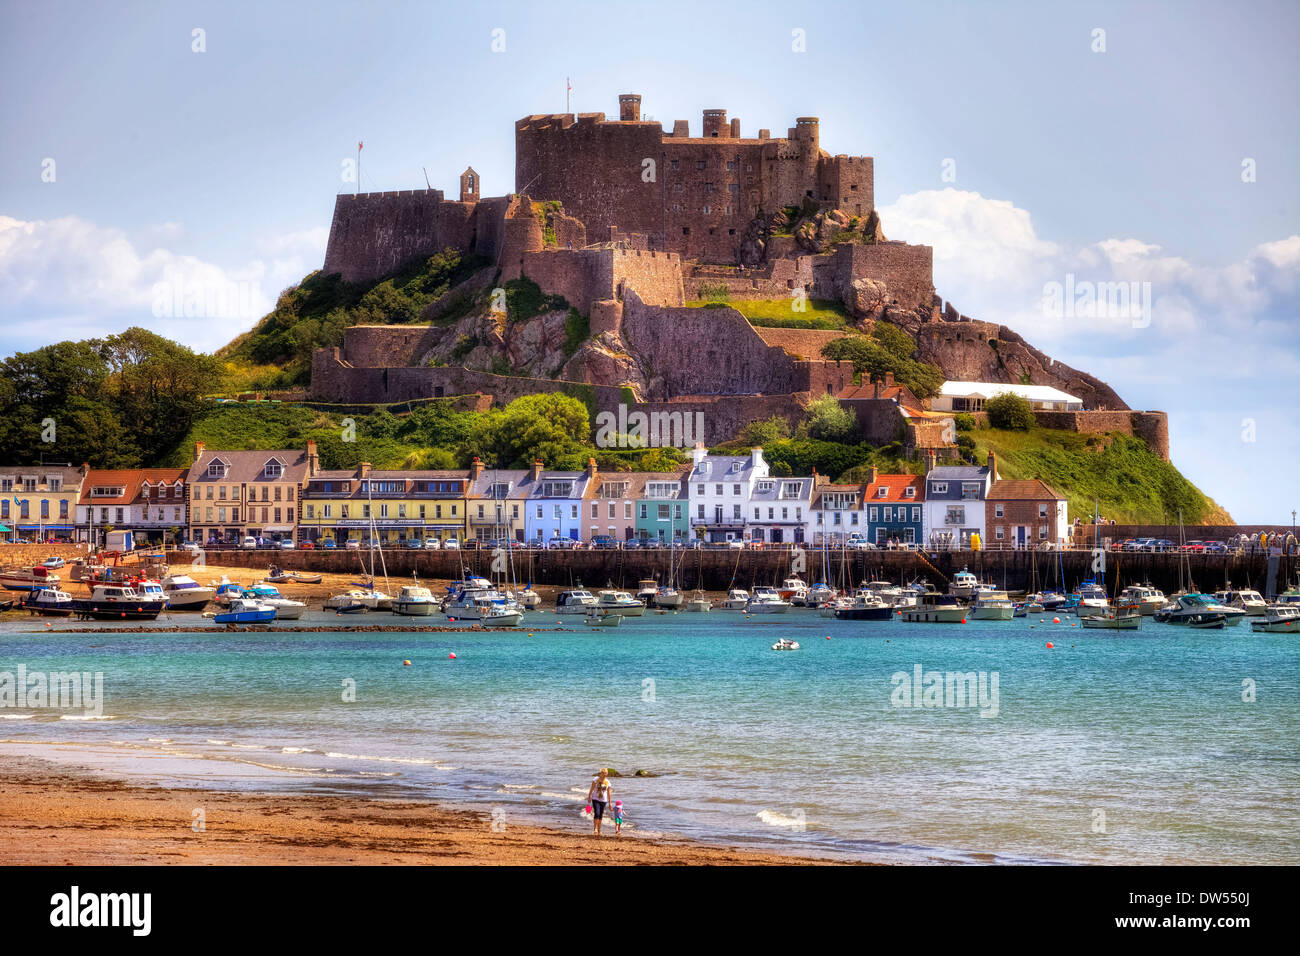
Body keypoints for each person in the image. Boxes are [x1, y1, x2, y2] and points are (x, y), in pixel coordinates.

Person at [587, 768, 613, 836]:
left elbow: (609, 793)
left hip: (604, 800)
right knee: (597, 813)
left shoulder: (608, 782)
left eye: (605, 773)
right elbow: (591, 788)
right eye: (603, 773)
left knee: (601, 815)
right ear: (600, 773)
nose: (604, 774)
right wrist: (589, 796)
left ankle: (599, 830)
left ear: (607, 774)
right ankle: (595, 828)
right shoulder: (595, 780)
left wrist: (610, 803)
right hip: (595, 799)